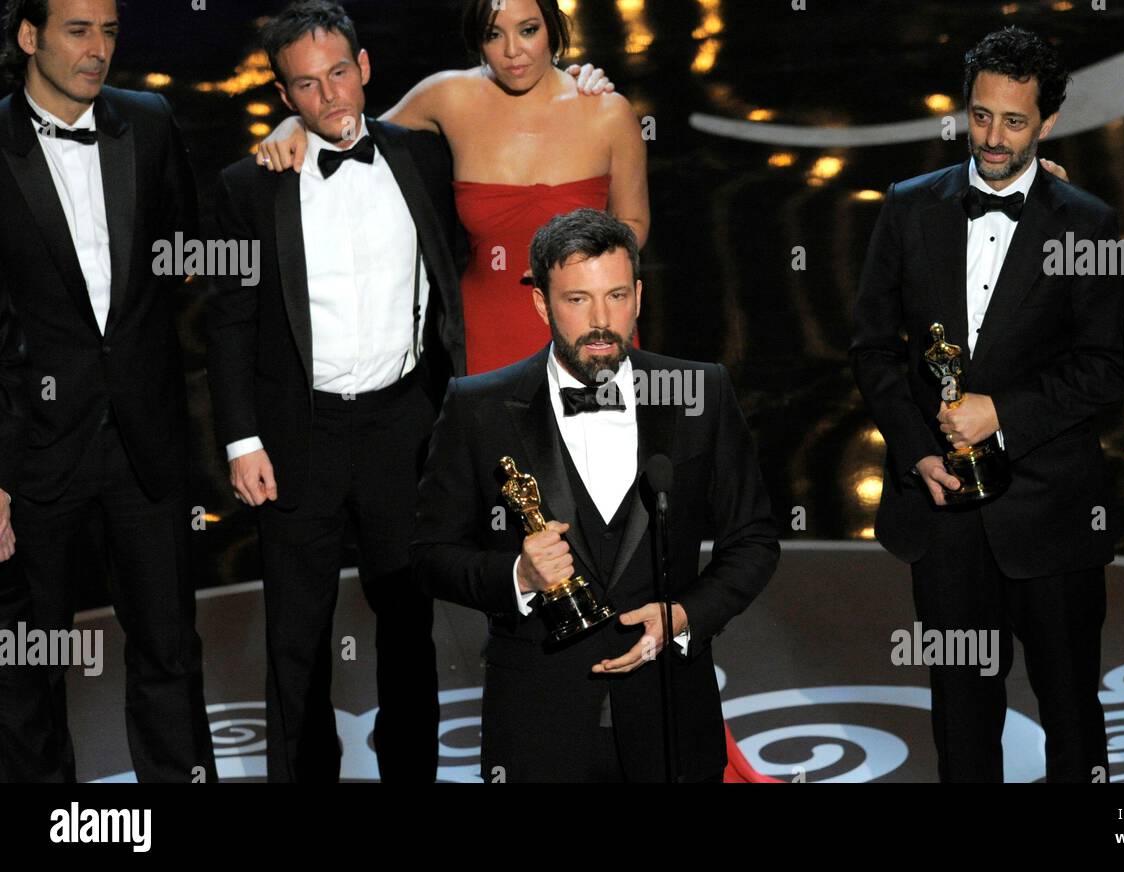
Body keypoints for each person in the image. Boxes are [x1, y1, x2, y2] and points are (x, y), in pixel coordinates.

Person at [850, 27, 1124, 782]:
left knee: (1071, 710)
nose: (993, 137)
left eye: (1013, 120)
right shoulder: (909, 208)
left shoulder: (1090, 224)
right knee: (961, 720)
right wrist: (916, 453)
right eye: (980, 116)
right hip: (945, 520)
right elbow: (873, 349)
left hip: (1053, 516)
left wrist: (999, 411)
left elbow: (1106, 369)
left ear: (1047, 122)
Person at [411, 208, 778, 782]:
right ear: (542, 304)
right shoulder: (476, 406)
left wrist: (683, 614)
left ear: (638, 295)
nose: (603, 321)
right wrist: (518, 577)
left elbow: (753, 540)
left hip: (671, 716)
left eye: (616, 296)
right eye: (578, 300)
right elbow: (430, 554)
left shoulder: (701, 392)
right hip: (537, 718)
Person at [205, 1, 462, 782]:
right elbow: (226, 322)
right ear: (285, 97)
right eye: (308, 87)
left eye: (340, 74)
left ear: (366, 68)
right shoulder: (246, 186)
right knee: (295, 631)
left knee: (409, 621)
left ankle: (411, 770)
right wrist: (242, 439)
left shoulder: (423, 157)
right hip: (296, 435)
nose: (330, 98)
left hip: (402, 427)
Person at [0, 0, 216, 782]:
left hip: (145, 439)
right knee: (29, 665)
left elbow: (182, 256)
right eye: (77, 30)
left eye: (111, 31)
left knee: (169, 647)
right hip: (31, 451)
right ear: (29, 37)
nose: (99, 50)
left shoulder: (149, 121)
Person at [255, 0, 649, 375]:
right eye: (494, 35)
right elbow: (355, 136)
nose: (513, 51)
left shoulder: (607, 112)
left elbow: (633, 221)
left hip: (591, 327)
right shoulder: (448, 98)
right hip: (485, 333)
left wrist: (577, 259)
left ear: (553, 27)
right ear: (477, 40)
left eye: (528, 30)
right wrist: (296, 125)